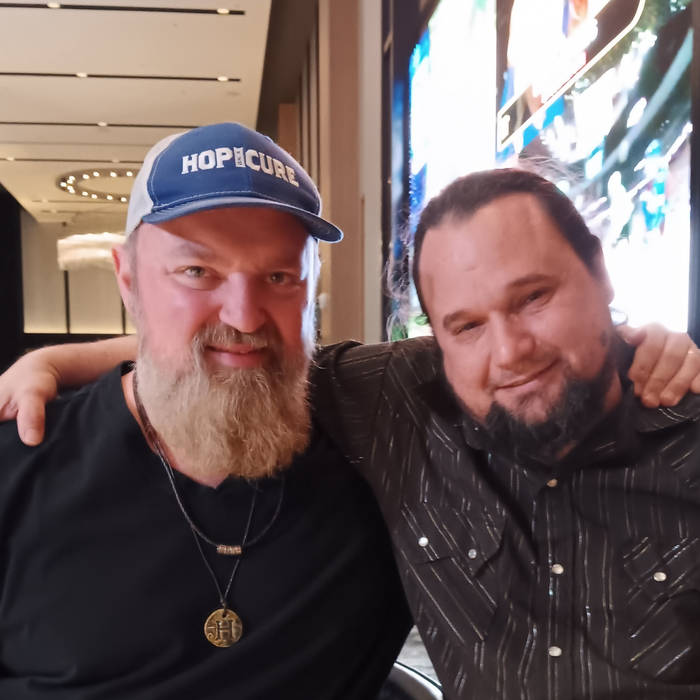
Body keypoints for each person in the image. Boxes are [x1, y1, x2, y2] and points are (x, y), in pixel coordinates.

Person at [4, 164, 700, 698]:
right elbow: (228, 352)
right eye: (465, 325)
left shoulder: (682, 430)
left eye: (535, 297)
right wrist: (53, 361)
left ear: (601, 273)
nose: (510, 350)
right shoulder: (403, 400)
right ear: (437, 340)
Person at [0, 122, 411, 698]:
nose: (244, 315)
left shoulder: (381, 444)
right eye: (197, 272)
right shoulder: (20, 465)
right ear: (128, 280)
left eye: (279, 276)